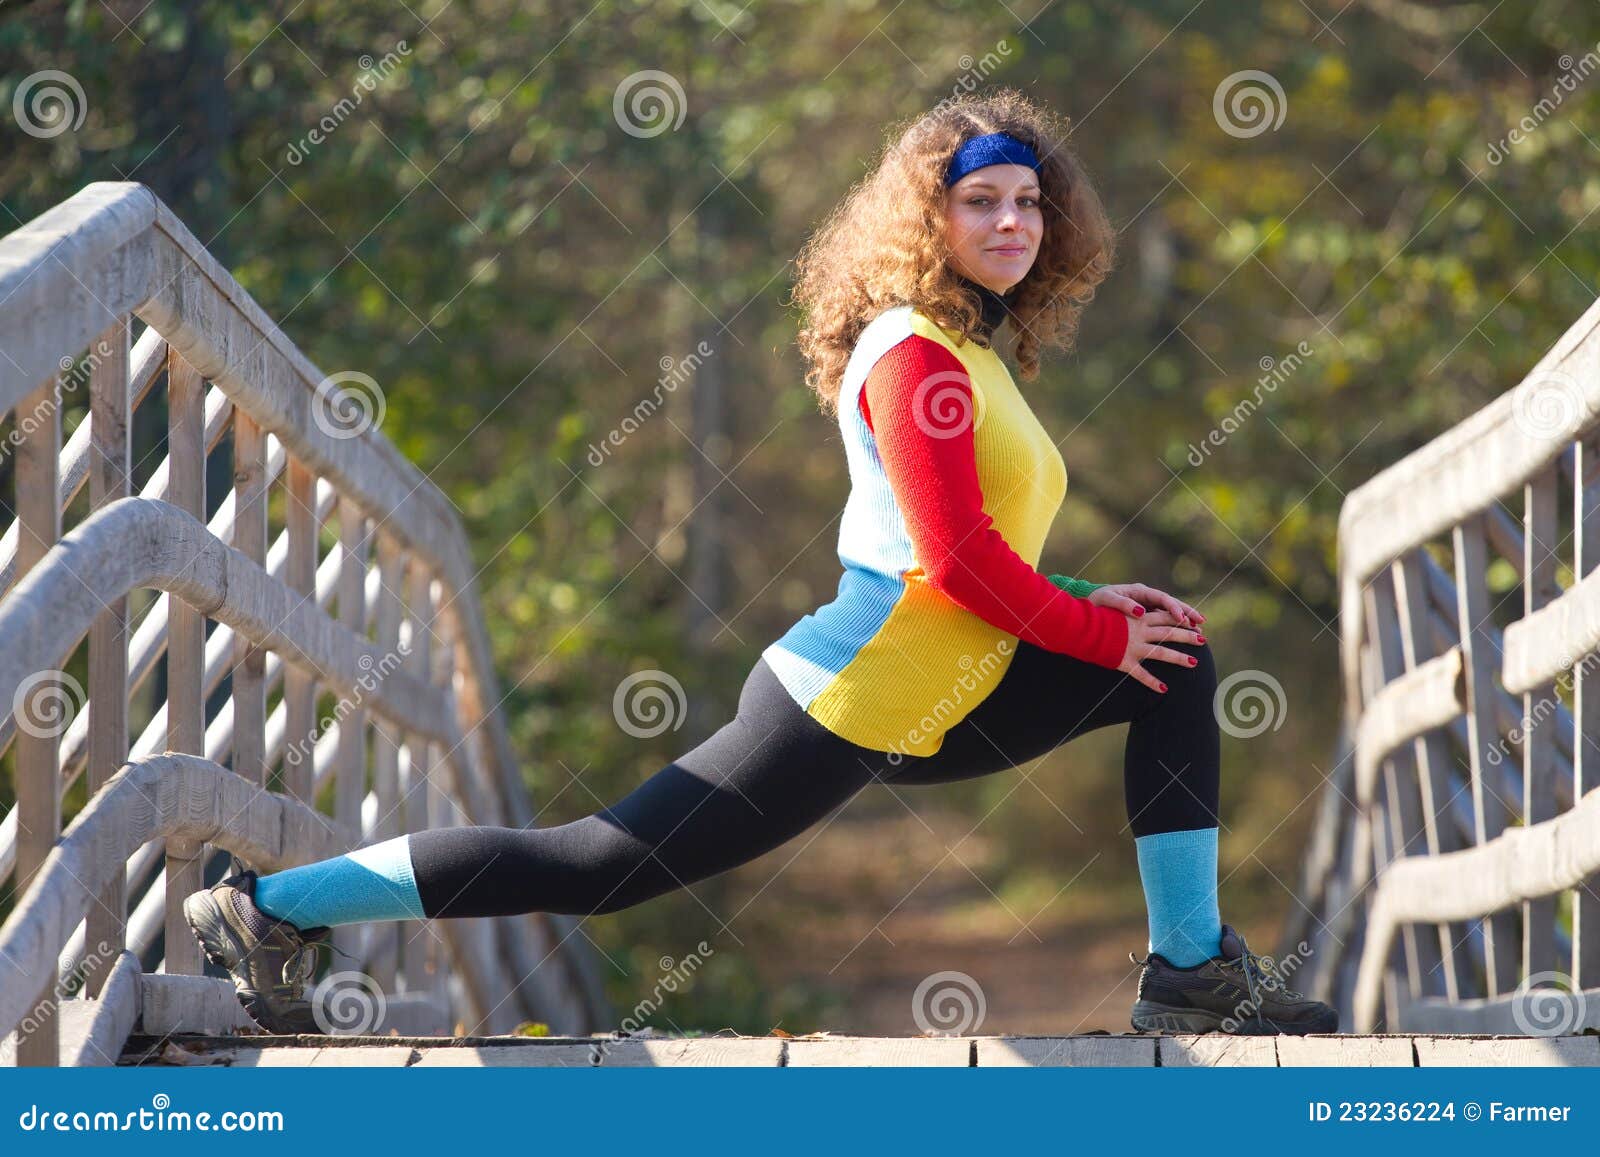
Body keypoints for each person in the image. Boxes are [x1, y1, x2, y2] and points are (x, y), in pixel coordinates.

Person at [184, 88, 1338, 1038]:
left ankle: (1189, 967)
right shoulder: (915, 354)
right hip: (851, 693)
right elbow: (952, 563)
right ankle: (270, 906)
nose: (1011, 221)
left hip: (944, 687)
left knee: (1173, 659)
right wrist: (1092, 632)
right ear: (927, 219)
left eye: (1028, 201)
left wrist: (1096, 602)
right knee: (597, 864)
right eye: (979, 200)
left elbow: (966, 549)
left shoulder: (973, 350)